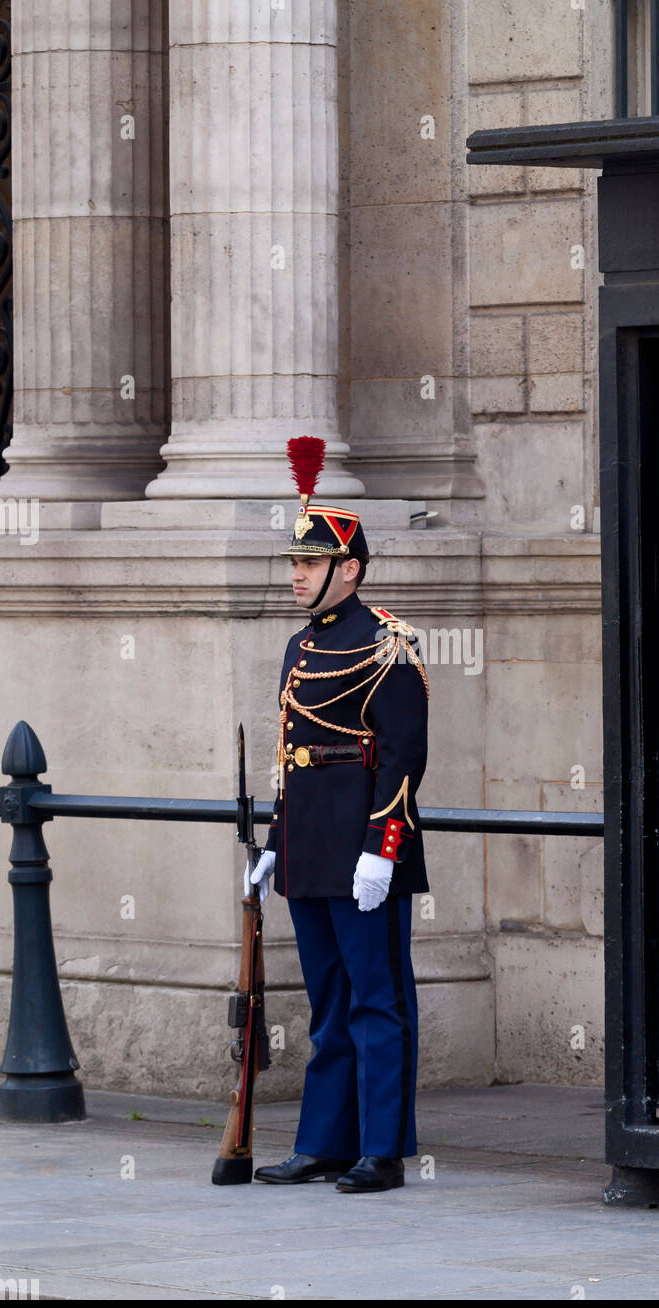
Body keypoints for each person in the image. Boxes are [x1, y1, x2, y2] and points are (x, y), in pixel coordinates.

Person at [248, 436, 430, 1193]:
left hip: (363, 851)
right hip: (308, 847)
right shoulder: (299, 644)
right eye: (293, 564)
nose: (295, 576)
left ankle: (381, 1150)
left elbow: (403, 760)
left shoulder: (389, 646)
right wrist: (272, 844)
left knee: (375, 1000)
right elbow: (291, 757)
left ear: (347, 569)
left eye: (308, 564)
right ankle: (325, 1140)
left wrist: (380, 850)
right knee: (327, 1001)